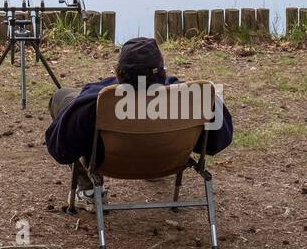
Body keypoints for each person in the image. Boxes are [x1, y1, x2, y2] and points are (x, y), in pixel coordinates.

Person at [45, 36, 233, 166]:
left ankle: (87, 190)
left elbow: (61, 151)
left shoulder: (96, 102)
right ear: (163, 72)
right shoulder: (195, 98)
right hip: (169, 158)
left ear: (118, 73)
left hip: (110, 161)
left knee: (62, 97)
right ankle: (154, 161)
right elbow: (219, 141)